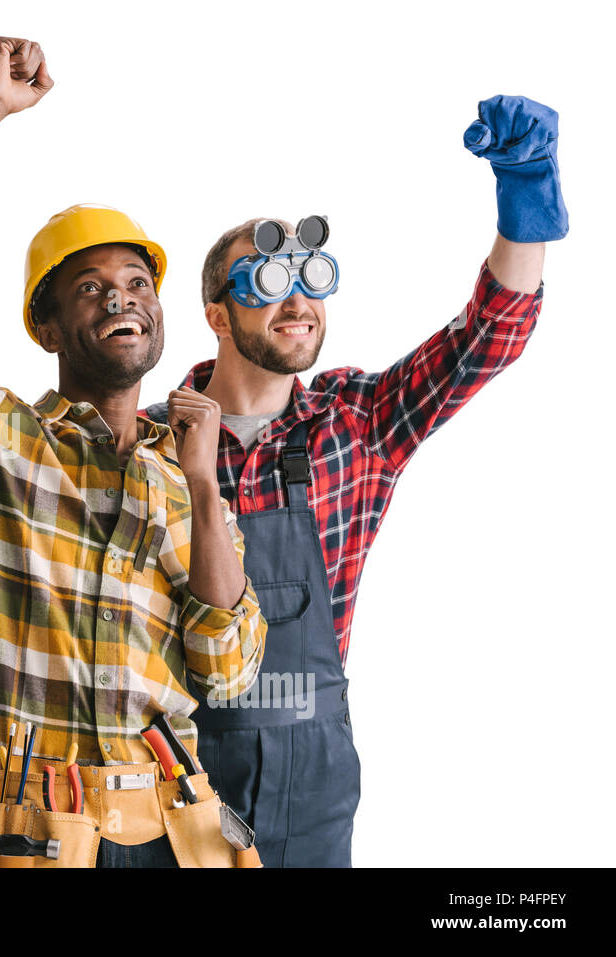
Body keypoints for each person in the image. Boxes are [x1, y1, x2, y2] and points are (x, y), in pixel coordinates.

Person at [144, 95, 567, 867]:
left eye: (309, 278)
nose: (297, 300)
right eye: (266, 280)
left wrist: (526, 193)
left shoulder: (356, 424)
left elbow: (491, 335)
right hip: (173, 784)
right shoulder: (149, 442)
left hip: (314, 788)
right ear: (215, 312)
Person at [0, 38, 266, 868]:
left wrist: (203, 488)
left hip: (173, 826)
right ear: (49, 327)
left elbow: (229, 671)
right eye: (90, 289)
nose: (122, 301)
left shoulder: (185, 472)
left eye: (137, 285)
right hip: (33, 829)